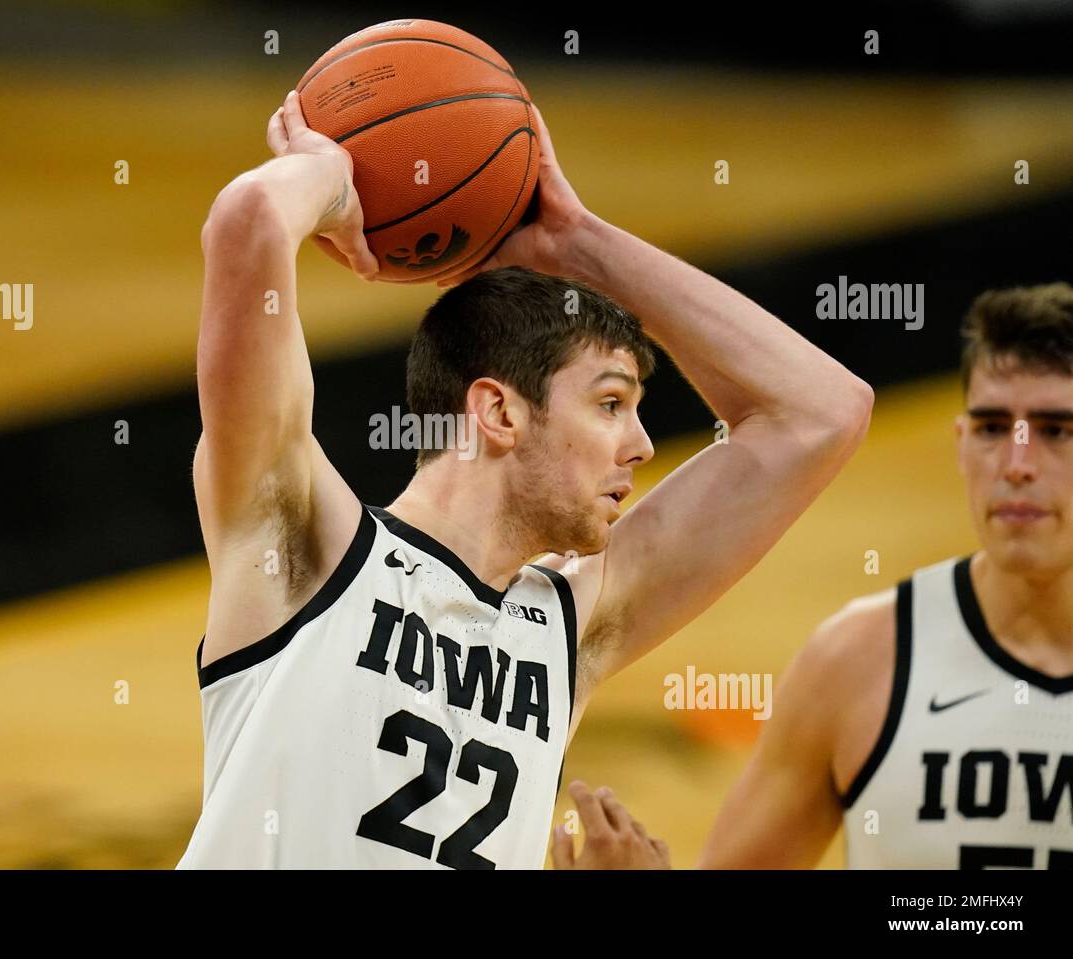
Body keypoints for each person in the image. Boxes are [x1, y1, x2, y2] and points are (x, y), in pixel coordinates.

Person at [176, 90, 872, 869]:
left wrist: (576, 244)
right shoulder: (307, 543)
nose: (642, 445)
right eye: (611, 403)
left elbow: (823, 413)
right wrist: (329, 178)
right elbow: (248, 221)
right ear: (498, 411)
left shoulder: (567, 628)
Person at [600, 284, 1073, 870]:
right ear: (961, 444)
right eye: (993, 428)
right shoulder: (855, 661)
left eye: (1056, 431)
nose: (1018, 465)